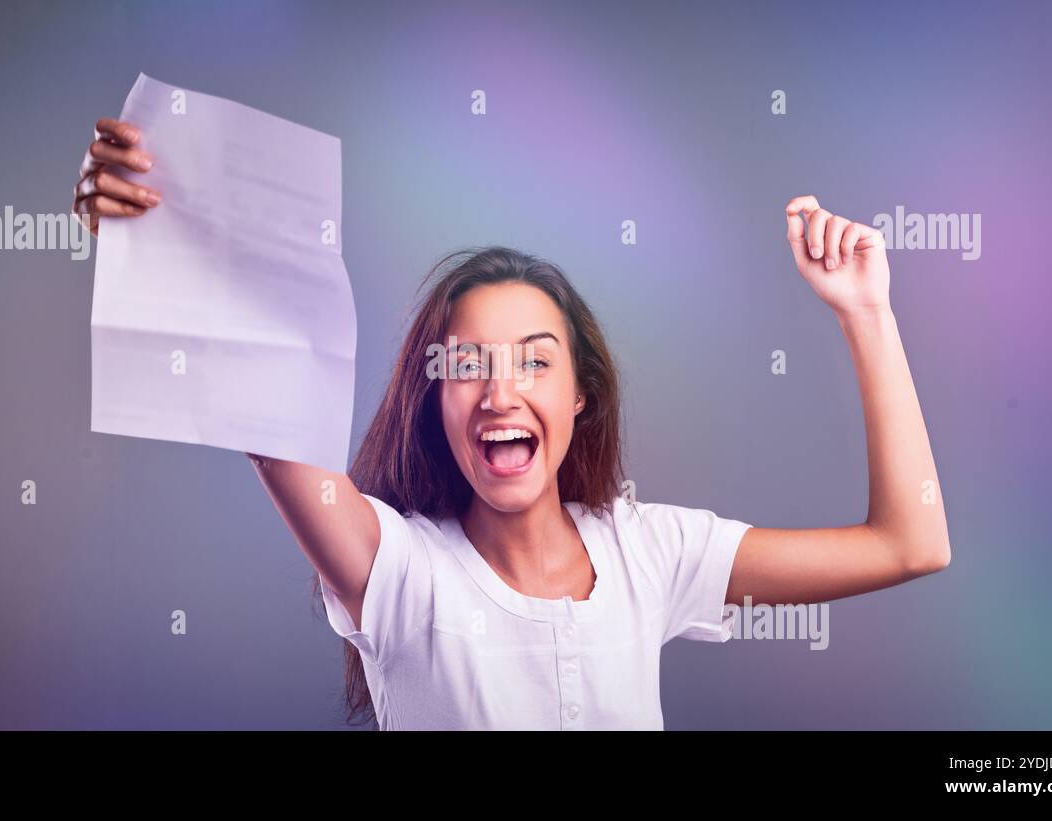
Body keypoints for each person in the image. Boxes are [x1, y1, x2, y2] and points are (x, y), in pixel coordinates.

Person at [73, 117, 952, 730]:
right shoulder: (398, 571)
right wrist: (155, 228)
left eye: (535, 359)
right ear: (435, 398)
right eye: (467, 364)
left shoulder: (653, 554)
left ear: (581, 395)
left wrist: (867, 312)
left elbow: (910, 544)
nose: (500, 391)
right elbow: (260, 405)